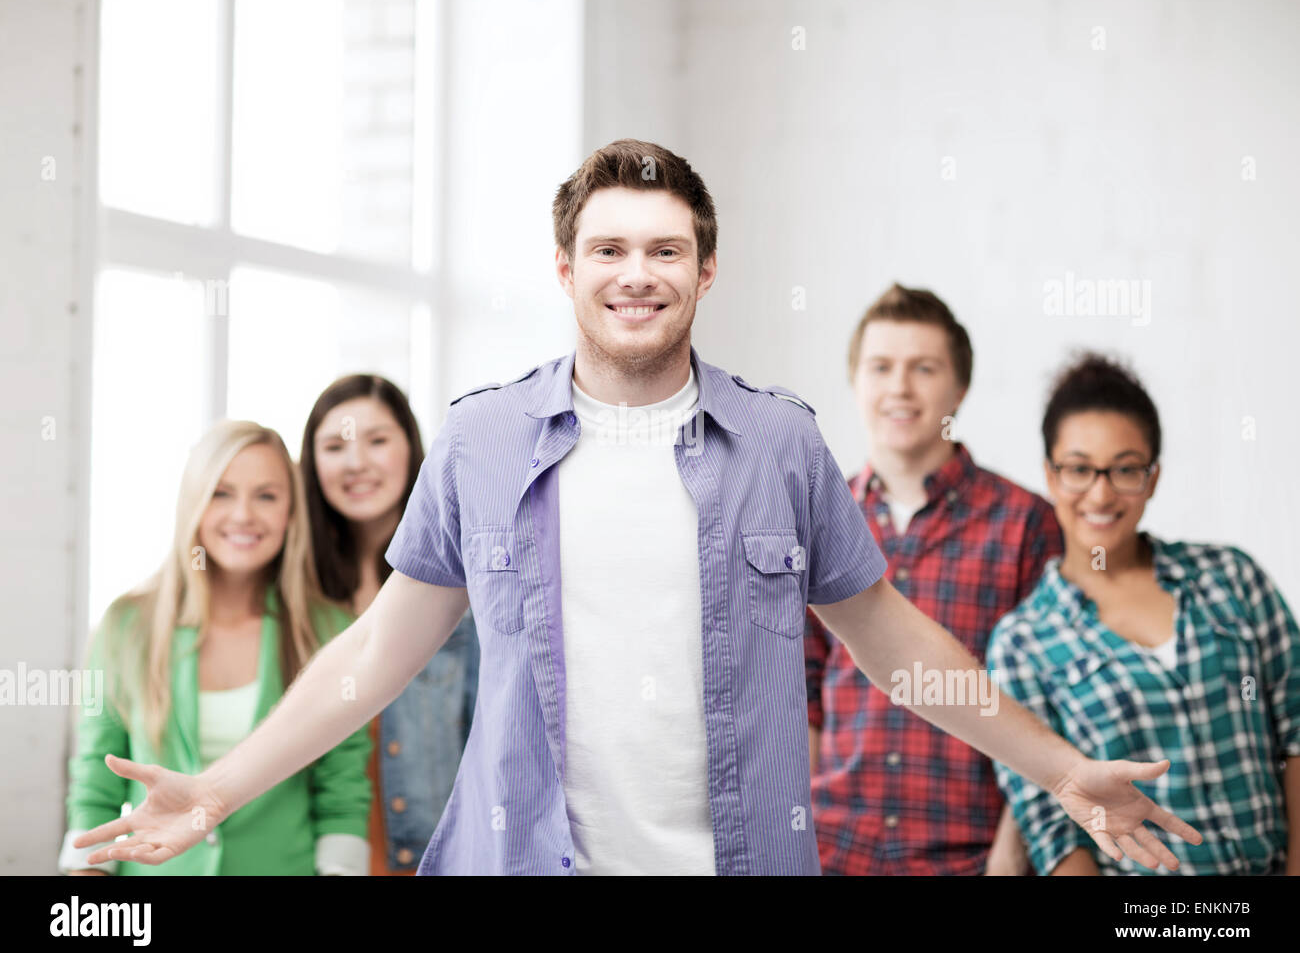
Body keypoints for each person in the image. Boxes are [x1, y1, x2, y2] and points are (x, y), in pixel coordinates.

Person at [71, 139, 1202, 876]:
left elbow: (894, 642)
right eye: (607, 247)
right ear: (564, 268)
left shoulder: (779, 442)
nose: (637, 273)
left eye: (666, 249)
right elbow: (377, 651)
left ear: (708, 270)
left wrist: (1059, 767)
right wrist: (218, 786)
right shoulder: (480, 438)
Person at [988, 353, 1300, 875]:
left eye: (1126, 468)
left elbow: (1297, 726)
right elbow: (1053, 832)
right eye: (1079, 468)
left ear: (1152, 478)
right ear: (1050, 475)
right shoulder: (1022, 643)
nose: (1102, 492)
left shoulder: (1231, 577)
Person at [804, 283, 1063, 875]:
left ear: (960, 388)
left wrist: (1007, 864)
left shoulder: (1026, 523)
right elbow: (803, 700)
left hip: (967, 859)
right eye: (882, 367)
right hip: (835, 854)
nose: (900, 387)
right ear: (856, 382)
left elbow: (1043, 707)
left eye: (924, 368)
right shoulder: (820, 516)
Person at [59, 420, 371, 875]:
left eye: (266, 495)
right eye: (222, 493)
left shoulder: (327, 629)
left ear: (291, 512)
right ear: (193, 504)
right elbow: (95, 787)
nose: (244, 514)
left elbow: (342, 791)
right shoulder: (126, 625)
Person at [301, 374, 480, 875]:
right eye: (335, 446)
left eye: (377, 440)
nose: (357, 462)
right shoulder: (297, 594)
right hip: (321, 857)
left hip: (429, 857)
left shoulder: (460, 591)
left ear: (411, 447)